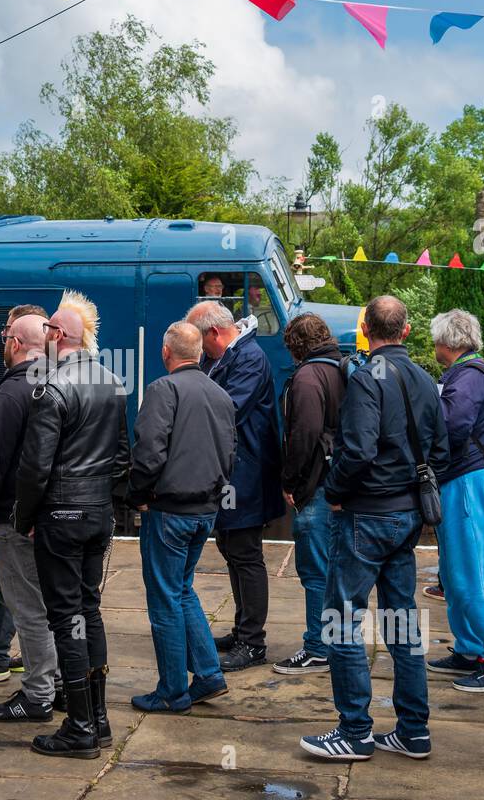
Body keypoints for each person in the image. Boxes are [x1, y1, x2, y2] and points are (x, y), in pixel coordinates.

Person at [302, 295, 448, 762]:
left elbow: (359, 449)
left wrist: (335, 489)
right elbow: (441, 449)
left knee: (342, 619)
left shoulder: (367, 377)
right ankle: (413, 730)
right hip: (408, 515)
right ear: (406, 330)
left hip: (367, 514)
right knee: (401, 620)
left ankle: (354, 730)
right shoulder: (427, 378)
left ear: (366, 329)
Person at [14, 290, 130, 759]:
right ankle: (98, 720)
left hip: (60, 516)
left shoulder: (52, 387)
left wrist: (25, 518)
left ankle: (80, 727)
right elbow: (122, 457)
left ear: (58, 335)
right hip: (98, 514)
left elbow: (34, 468)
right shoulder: (112, 383)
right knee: (90, 611)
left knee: (66, 619)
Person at [128, 322, 235, 712]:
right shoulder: (220, 395)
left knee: (164, 599)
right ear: (201, 353)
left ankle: (171, 691)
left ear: (165, 352)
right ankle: (208, 674)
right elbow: (230, 454)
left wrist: (136, 495)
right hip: (204, 511)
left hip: (168, 511)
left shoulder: (163, 390)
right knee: (183, 590)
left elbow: (149, 451)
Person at [0, 311, 64, 722]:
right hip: (60, 514)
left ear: (16, 344)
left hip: (19, 514)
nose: (3, 343)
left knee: (26, 606)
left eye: (5, 336)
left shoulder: (11, 392)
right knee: (55, 604)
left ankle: (38, 694)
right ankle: (58, 682)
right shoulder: (62, 382)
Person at [184, 300, 285, 672]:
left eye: (198, 337)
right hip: (232, 471)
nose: (197, 346)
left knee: (245, 551)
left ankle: (253, 642)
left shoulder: (249, 358)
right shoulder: (226, 356)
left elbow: (227, 409)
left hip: (247, 472)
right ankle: (243, 629)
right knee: (232, 547)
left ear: (214, 332)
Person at [426, 309, 484, 692]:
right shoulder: (472, 372)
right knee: (455, 572)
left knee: (474, 571)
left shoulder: (467, 376)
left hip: (467, 479)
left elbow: (453, 424)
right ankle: (470, 648)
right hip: (469, 476)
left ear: (448, 343)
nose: (433, 347)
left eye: (435, 340)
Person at [273, 313, 345, 676]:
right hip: (340, 483)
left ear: (296, 345)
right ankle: (335, 643)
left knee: (315, 571)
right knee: (334, 571)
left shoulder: (306, 377)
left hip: (316, 485)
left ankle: (318, 648)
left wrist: (290, 482)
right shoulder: (342, 367)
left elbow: (303, 434)